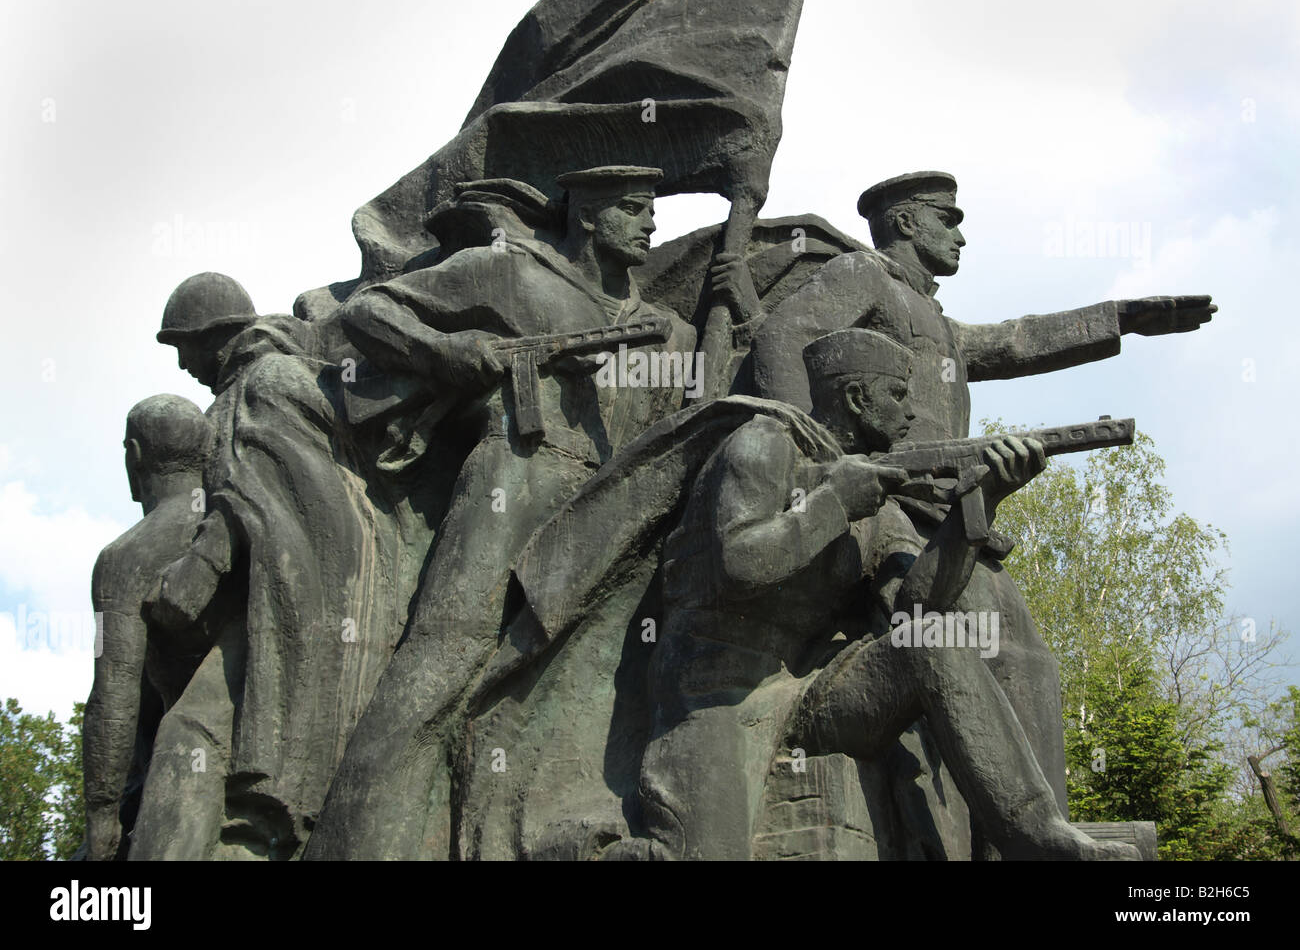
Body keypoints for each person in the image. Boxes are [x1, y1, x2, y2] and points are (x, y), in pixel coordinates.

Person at [306, 164, 758, 860]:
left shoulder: (662, 331)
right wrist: (446, 351)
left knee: (572, 678)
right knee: (439, 662)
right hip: (517, 476)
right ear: (587, 215)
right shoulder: (513, 275)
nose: (651, 224)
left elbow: (701, 419)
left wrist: (740, 313)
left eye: (651, 211)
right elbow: (368, 313)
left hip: (610, 512)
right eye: (634, 209)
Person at [750, 171, 1217, 815]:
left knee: (1028, 663)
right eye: (948, 217)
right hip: (892, 509)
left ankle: (1037, 837)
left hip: (954, 511)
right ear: (907, 221)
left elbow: (1016, 340)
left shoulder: (933, 319)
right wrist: (811, 458)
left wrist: (1121, 318)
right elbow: (781, 337)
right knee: (973, 646)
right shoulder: (864, 276)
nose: (961, 234)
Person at [620, 329, 1136, 860]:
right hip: (714, 696)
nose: (911, 412)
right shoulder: (764, 443)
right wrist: (833, 503)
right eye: (898, 394)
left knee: (930, 642)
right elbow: (739, 565)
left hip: (803, 694)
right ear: (856, 397)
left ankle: (1036, 833)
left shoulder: (876, 498)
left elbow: (914, 609)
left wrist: (975, 510)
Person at [135, 273, 413, 858]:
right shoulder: (263, 381)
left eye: (182, 346)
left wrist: (201, 569)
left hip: (306, 597)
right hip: (285, 593)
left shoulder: (265, 381)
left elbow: (257, 490)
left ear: (214, 335)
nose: (183, 365)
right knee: (198, 738)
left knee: (190, 736)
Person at [83, 395, 213, 861]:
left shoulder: (126, 557)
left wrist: (100, 814)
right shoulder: (233, 518)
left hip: (190, 751)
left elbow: (112, 694)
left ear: (134, 455)